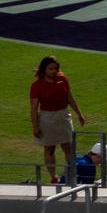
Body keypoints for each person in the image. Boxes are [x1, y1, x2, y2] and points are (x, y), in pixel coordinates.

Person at [29, 55, 85, 184]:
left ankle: (73, 174)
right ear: (44, 69)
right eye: (50, 69)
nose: (53, 71)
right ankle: (54, 177)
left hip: (63, 116)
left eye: (55, 68)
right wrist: (35, 126)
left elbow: (69, 98)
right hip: (47, 118)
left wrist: (79, 113)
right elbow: (33, 108)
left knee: (68, 147)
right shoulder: (36, 86)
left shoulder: (62, 79)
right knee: (49, 148)